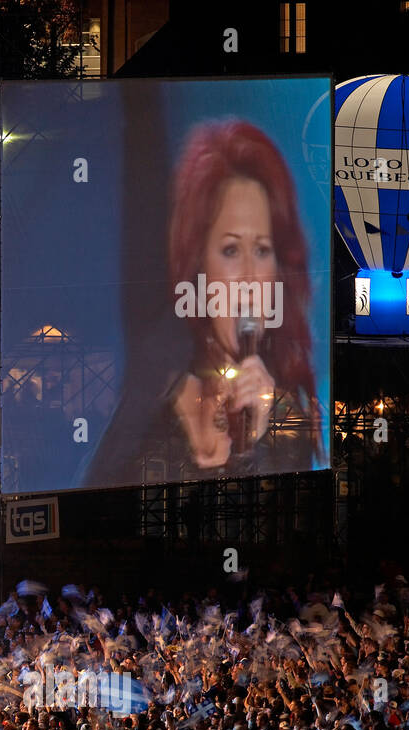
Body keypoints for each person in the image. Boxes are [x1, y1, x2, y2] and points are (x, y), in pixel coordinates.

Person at [85, 120, 323, 487]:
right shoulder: (154, 390)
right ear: (199, 264)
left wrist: (251, 448)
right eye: (230, 250)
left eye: (262, 250)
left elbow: (279, 531)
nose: (248, 277)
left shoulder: (285, 422)